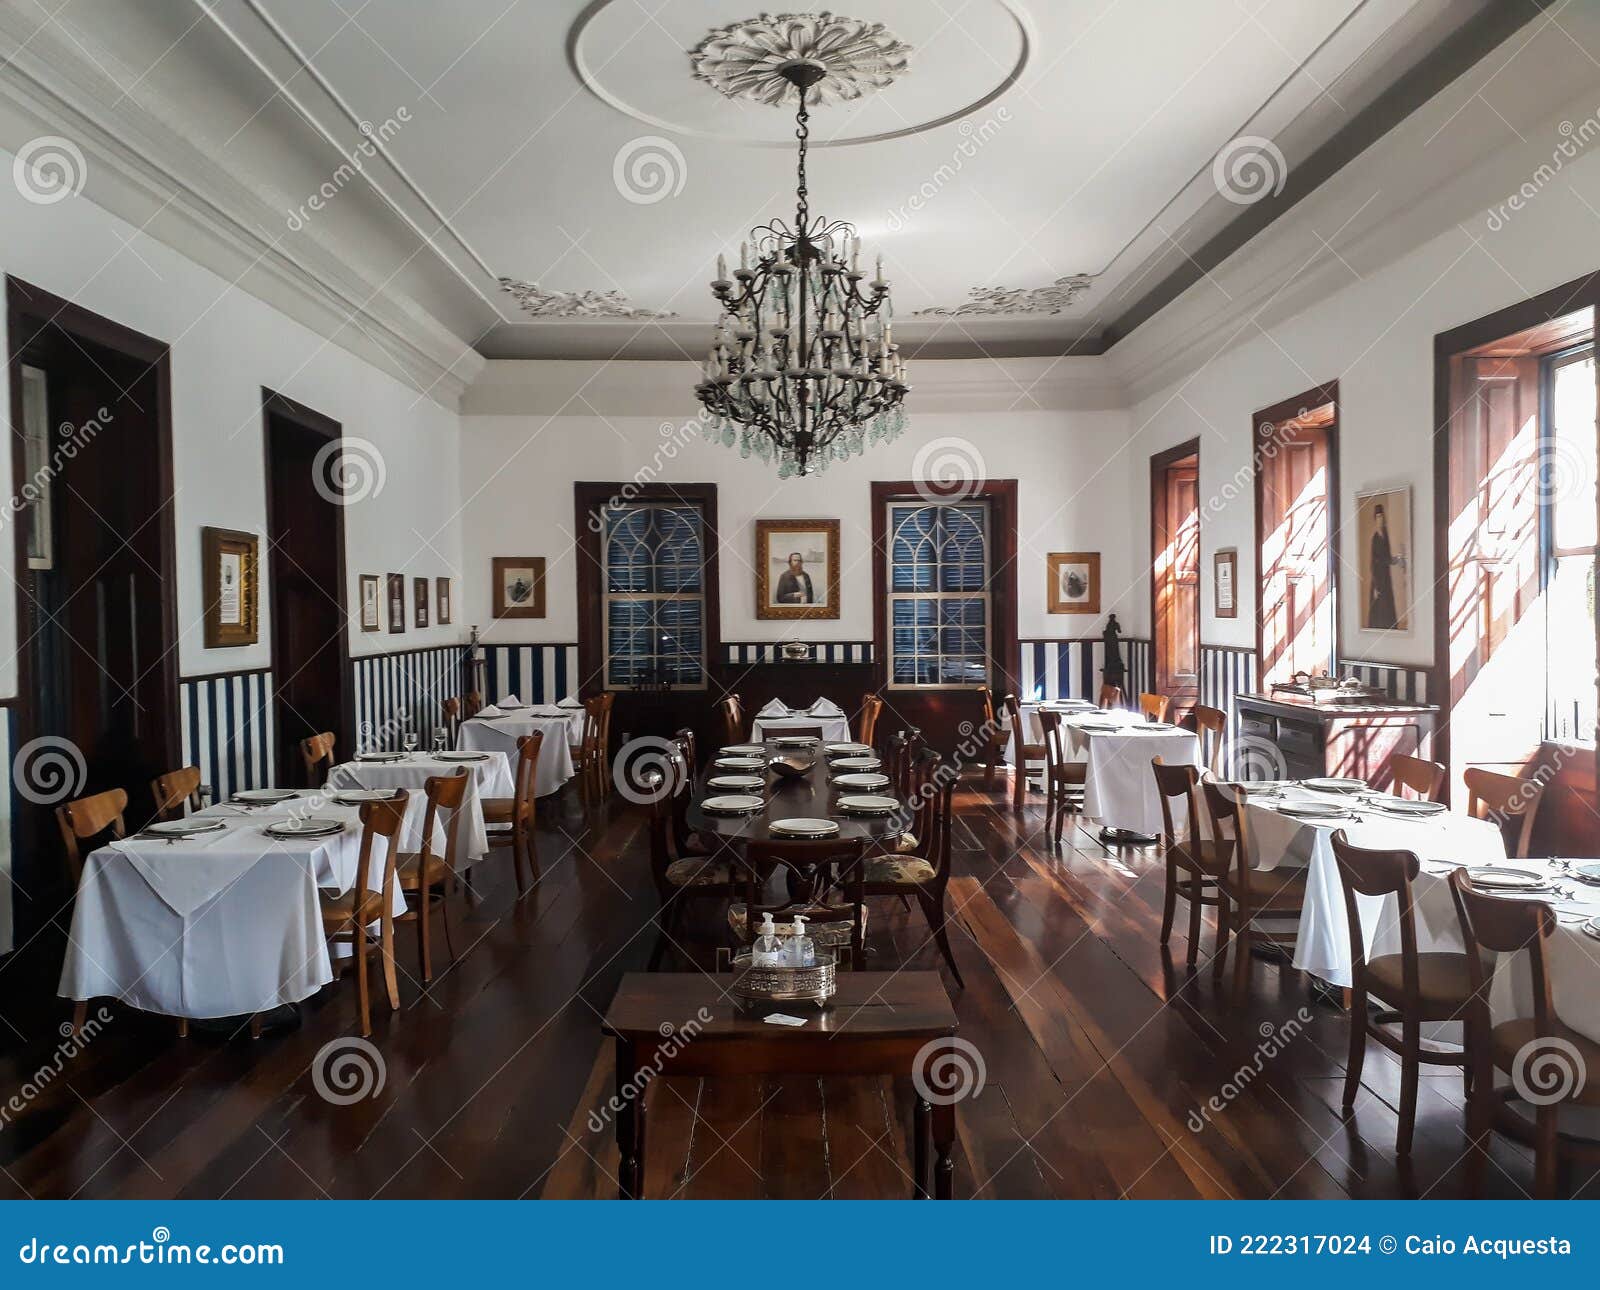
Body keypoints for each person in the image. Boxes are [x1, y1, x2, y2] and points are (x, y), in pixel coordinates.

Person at [1367, 504, 1399, 629]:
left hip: (1386, 577)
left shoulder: (1385, 536)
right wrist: (1376, 585)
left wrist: (1396, 560)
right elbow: (1373, 563)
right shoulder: (1375, 538)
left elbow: (1387, 558)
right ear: (1375, 519)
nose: (1380, 520)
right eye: (1378, 517)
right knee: (1378, 607)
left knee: (1388, 606)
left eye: (1382, 517)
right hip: (1378, 578)